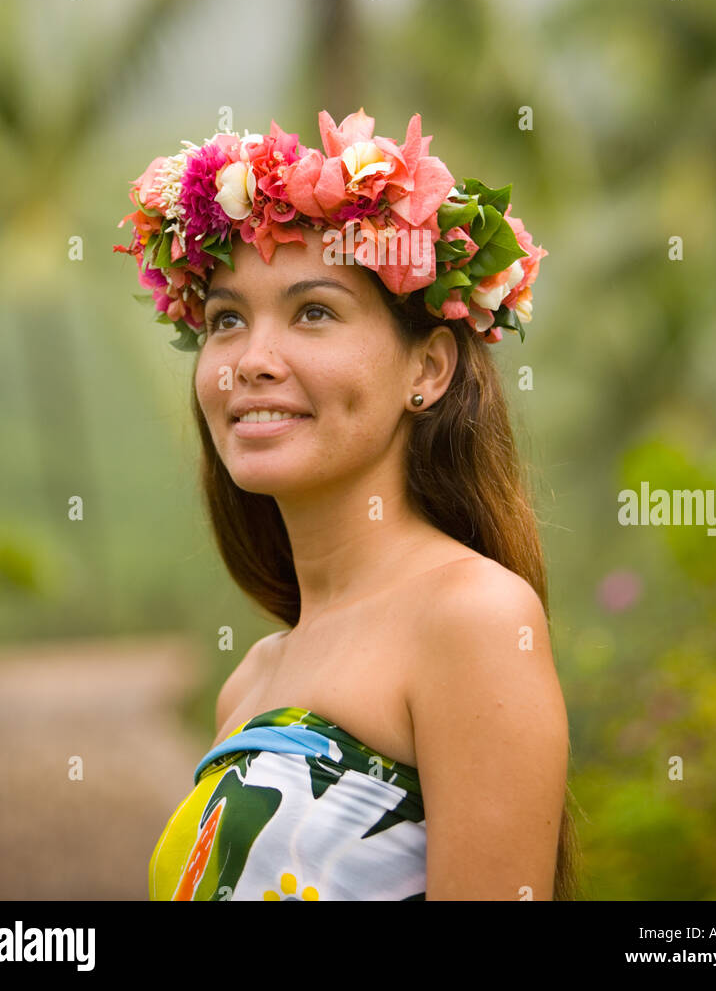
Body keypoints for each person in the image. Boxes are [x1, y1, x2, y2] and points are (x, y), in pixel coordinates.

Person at [115, 107, 579, 900]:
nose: (252, 362)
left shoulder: (473, 618)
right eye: (227, 320)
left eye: (315, 312)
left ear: (427, 369)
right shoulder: (253, 679)